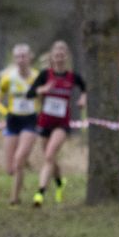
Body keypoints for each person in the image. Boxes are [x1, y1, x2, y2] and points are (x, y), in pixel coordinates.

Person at [26, 40, 86, 207]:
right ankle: (60, 182)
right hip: (45, 122)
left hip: (62, 123)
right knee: (50, 158)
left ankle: (40, 193)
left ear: (67, 57)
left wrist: (83, 99)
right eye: (56, 55)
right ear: (52, 56)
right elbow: (29, 93)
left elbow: (85, 88)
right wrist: (42, 90)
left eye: (62, 55)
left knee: (49, 155)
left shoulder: (73, 77)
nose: (59, 58)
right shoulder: (45, 75)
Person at [0, 44, 39, 205]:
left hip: (30, 120)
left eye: (23, 56)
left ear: (30, 58)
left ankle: (14, 198)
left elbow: (44, 98)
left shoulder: (36, 77)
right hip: (12, 121)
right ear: (14, 59)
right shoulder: (8, 78)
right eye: (17, 56)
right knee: (10, 169)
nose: (21, 60)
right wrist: (5, 112)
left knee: (18, 160)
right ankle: (24, 163)